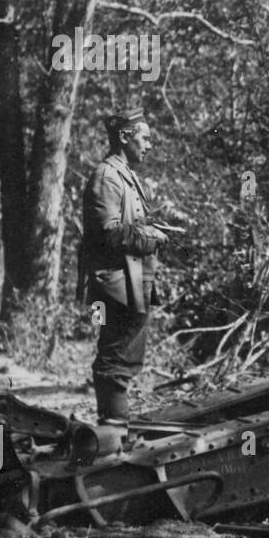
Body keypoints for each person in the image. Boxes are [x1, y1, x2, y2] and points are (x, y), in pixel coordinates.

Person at [78, 107, 165, 424]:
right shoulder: (107, 177)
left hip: (130, 283)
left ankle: (114, 437)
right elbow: (108, 235)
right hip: (116, 286)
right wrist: (150, 236)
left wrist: (153, 232)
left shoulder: (123, 175)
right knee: (115, 364)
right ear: (124, 137)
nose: (149, 145)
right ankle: (113, 442)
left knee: (123, 362)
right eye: (145, 138)